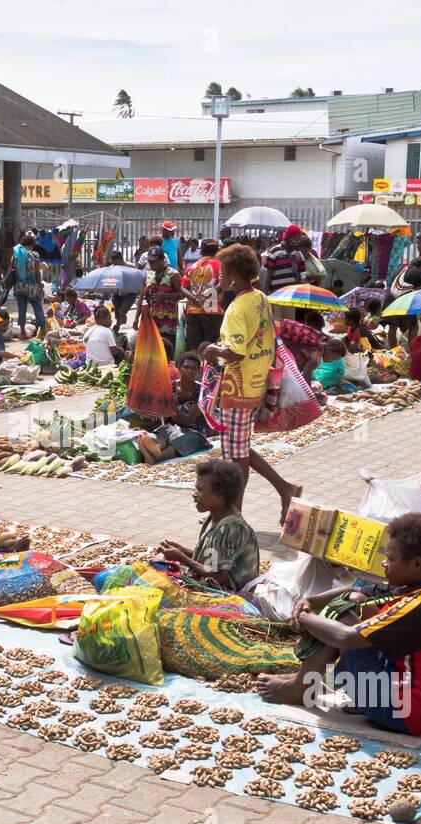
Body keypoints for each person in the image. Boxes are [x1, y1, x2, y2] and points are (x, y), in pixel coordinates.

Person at [255, 513, 421, 736]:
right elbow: (354, 592)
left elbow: (345, 637)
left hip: (410, 714)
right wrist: (310, 601)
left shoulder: (420, 607)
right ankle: (305, 679)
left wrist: (305, 617)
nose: (384, 563)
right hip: (408, 695)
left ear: (416, 565)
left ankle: (299, 688)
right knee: (353, 602)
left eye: (391, 559)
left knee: (341, 616)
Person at [202, 243, 302, 518]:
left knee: (235, 456)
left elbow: (235, 351)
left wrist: (212, 350)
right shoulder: (259, 297)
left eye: (222, 272)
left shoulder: (237, 308)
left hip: (238, 386)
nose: (219, 277)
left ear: (234, 274)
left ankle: (233, 512)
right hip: (256, 382)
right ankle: (285, 488)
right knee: (240, 446)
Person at [159, 460, 259, 591]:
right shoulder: (216, 517)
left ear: (221, 495)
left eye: (201, 489)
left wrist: (182, 558)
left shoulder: (229, 528)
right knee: (159, 561)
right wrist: (182, 550)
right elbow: (213, 558)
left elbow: (218, 577)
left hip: (229, 593)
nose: (194, 494)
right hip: (213, 581)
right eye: (196, 488)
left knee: (159, 577)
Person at [136, 352, 211, 464]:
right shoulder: (171, 386)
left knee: (182, 442)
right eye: (186, 367)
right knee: (162, 434)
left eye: (193, 368)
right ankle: (156, 448)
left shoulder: (202, 391)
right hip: (173, 427)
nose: (189, 371)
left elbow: (188, 420)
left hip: (195, 432)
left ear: (198, 371)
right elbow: (164, 414)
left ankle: (156, 456)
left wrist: (172, 406)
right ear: (179, 368)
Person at [180, 238, 224, 354]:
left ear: (201, 252)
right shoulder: (220, 265)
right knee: (211, 347)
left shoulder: (193, 267)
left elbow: (183, 287)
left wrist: (195, 298)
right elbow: (223, 284)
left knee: (193, 347)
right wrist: (207, 296)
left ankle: (195, 369)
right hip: (212, 310)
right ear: (217, 251)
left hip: (193, 310)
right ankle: (209, 370)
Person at [140, 245, 183, 358]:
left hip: (167, 323)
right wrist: (137, 317)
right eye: (150, 261)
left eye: (154, 261)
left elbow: (181, 294)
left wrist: (166, 296)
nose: (151, 264)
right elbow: (142, 296)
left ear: (162, 260)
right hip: (152, 321)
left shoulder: (173, 274)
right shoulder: (149, 275)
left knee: (165, 354)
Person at [11, 235, 46, 337]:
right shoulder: (35, 255)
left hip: (19, 286)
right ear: (32, 245)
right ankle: (43, 331)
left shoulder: (16, 254)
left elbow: (12, 269)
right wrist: (40, 286)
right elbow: (37, 273)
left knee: (21, 308)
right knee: (37, 307)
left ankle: (22, 332)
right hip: (32, 286)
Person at [106, 249, 138, 330]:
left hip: (130, 293)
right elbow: (108, 282)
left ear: (119, 260)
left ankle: (123, 329)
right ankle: (119, 328)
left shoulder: (131, 267)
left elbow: (137, 279)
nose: (114, 264)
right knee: (117, 315)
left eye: (115, 262)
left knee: (122, 311)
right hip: (117, 293)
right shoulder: (112, 268)